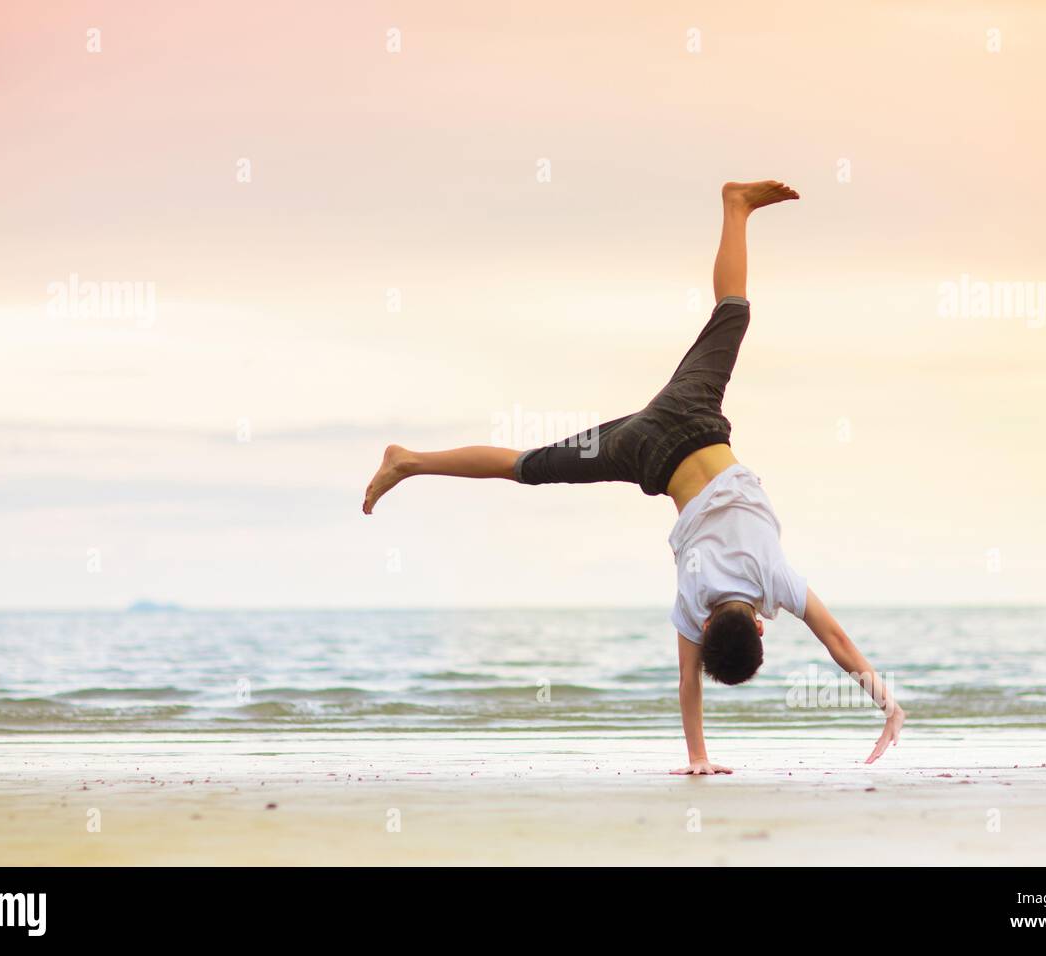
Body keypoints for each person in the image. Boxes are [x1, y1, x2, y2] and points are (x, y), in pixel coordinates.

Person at [363, 181, 905, 773]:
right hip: (640, 450)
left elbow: (838, 642)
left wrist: (889, 705)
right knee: (526, 467)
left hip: (689, 413)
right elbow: (686, 682)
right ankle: (410, 461)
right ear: (708, 628)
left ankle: (736, 207)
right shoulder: (694, 600)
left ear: (758, 625)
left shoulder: (775, 581)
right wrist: (697, 758)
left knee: (733, 312)